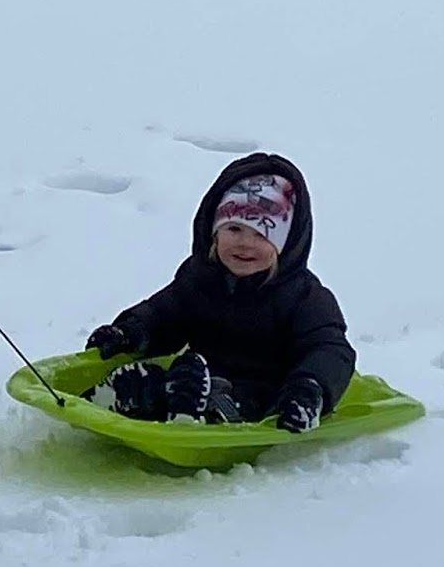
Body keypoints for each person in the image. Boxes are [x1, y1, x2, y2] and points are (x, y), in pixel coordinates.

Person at [85, 155, 355, 430]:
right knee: (179, 377)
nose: (245, 243)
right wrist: (131, 331)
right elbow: (165, 313)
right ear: (214, 232)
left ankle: (205, 411)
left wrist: (309, 389)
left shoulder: (306, 297)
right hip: (197, 377)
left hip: (268, 395)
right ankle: (140, 393)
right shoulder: (199, 278)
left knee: (238, 398)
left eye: (262, 234)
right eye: (234, 228)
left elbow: (329, 349)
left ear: (286, 244)